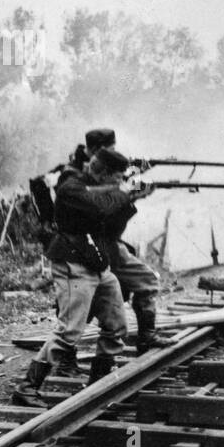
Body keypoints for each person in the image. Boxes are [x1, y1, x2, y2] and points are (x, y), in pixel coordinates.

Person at [14, 147, 153, 404]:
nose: (118, 182)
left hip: (97, 263)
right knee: (70, 330)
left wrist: (132, 199)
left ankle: (98, 384)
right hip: (73, 264)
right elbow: (99, 209)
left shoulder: (99, 189)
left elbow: (110, 225)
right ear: (102, 173)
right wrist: (124, 193)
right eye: (115, 178)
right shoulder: (71, 186)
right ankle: (27, 387)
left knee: (116, 326)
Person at [80, 127, 168, 354]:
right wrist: (129, 197)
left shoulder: (86, 171)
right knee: (146, 282)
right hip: (101, 245)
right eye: (108, 149)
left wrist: (134, 192)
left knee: (87, 304)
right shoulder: (83, 176)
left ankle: (67, 359)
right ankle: (146, 336)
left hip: (96, 246)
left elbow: (120, 190)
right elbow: (107, 212)